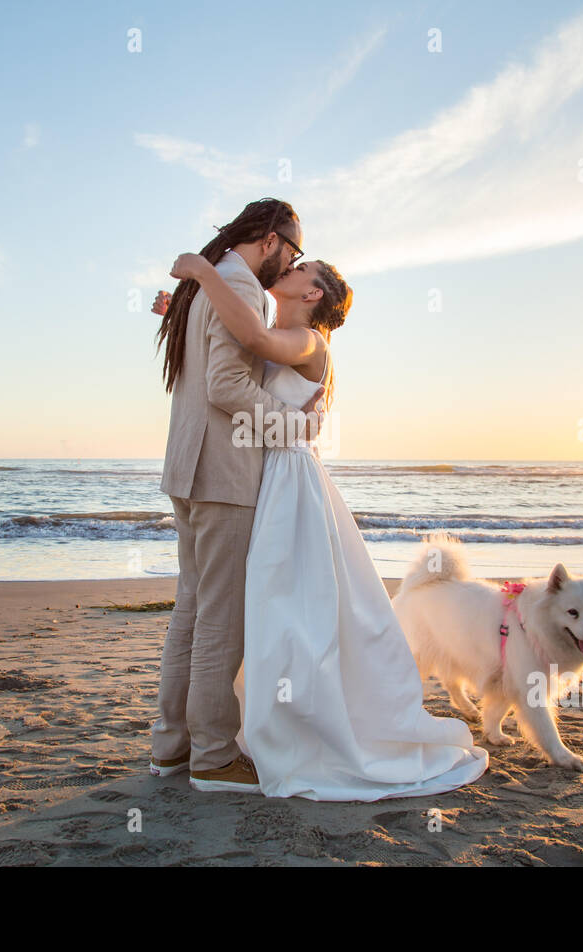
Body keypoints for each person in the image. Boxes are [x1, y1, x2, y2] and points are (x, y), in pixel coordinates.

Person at [163, 250, 489, 801]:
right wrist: (179, 312)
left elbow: (255, 343)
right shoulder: (271, 327)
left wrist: (201, 272)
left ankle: (300, 731)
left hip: (290, 483)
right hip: (267, 477)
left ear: (313, 294)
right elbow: (241, 341)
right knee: (272, 610)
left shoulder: (310, 342)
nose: (287, 270)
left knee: (295, 611)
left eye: (300, 270)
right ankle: (250, 730)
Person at [149, 198, 322, 792]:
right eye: (293, 252)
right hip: (222, 471)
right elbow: (227, 385)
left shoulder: (210, 284)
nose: (291, 264)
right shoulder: (240, 287)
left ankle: (171, 747)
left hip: (186, 466)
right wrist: (294, 425)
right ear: (271, 240)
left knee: (192, 611)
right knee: (220, 619)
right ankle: (214, 755)